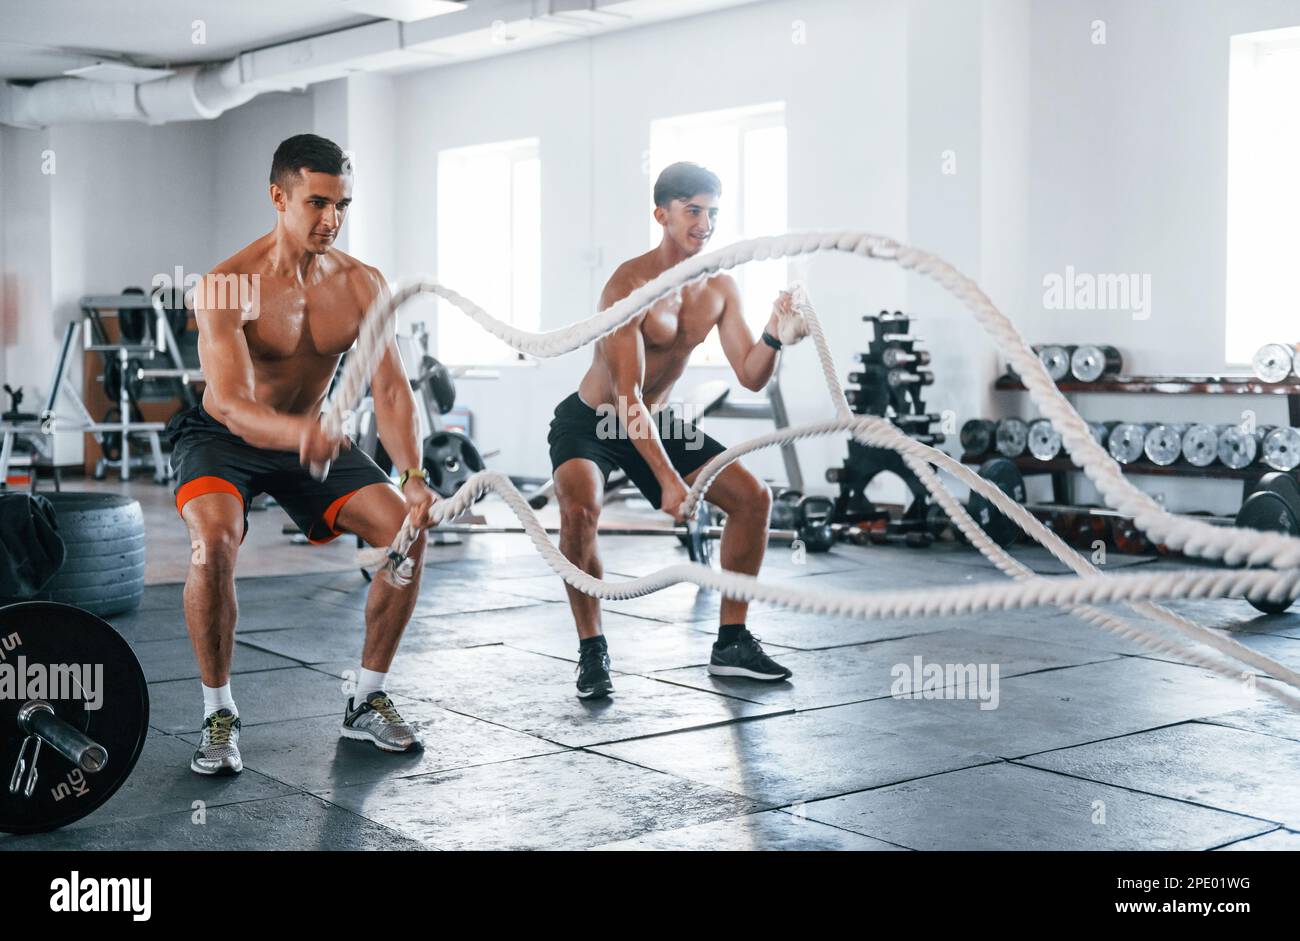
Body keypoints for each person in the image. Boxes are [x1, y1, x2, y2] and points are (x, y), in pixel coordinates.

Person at [169, 133, 437, 774]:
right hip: (223, 440)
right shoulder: (227, 285)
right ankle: (217, 713)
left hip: (309, 435)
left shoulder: (363, 283)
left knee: (404, 527)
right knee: (215, 541)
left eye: (342, 204)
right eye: (317, 202)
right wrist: (302, 437)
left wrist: (415, 475)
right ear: (278, 196)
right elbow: (231, 402)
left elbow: (391, 389)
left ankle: (366, 701)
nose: (332, 219)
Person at [548, 161, 803, 699]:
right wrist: (666, 478)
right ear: (661, 214)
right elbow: (625, 397)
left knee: (754, 499)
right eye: (693, 211)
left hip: (657, 420)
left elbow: (751, 375)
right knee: (579, 510)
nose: (705, 224)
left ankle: (732, 643)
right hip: (594, 420)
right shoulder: (629, 284)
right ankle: (592, 649)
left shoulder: (720, 288)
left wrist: (776, 334)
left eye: (712, 213)